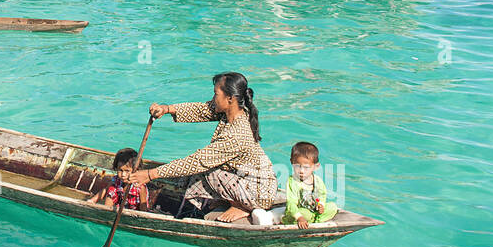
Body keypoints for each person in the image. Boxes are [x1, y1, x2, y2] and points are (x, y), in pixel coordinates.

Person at [127, 72, 280, 223]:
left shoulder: (236, 134)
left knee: (202, 169)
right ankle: (226, 201)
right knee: (201, 168)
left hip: (257, 192)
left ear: (230, 98)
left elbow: (197, 162)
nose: (213, 98)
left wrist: (150, 174)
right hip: (250, 180)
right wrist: (167, 109)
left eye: (216, 94)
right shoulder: (235, 111)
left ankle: (242, 207)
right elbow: (202, 110)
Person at [283, 141, 338, 228]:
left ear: (316, 166)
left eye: (306, 167)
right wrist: (299, 217)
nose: (301, 171)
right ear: (291, 162)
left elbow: (322, 195)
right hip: (298, 213)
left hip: (313, 211)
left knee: (332, 207)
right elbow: (291, 203)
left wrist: (321, 205)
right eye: (297, 166)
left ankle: (317, 221)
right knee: (304, 213)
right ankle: (304, 221)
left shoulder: (317, 180)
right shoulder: (292, 181)